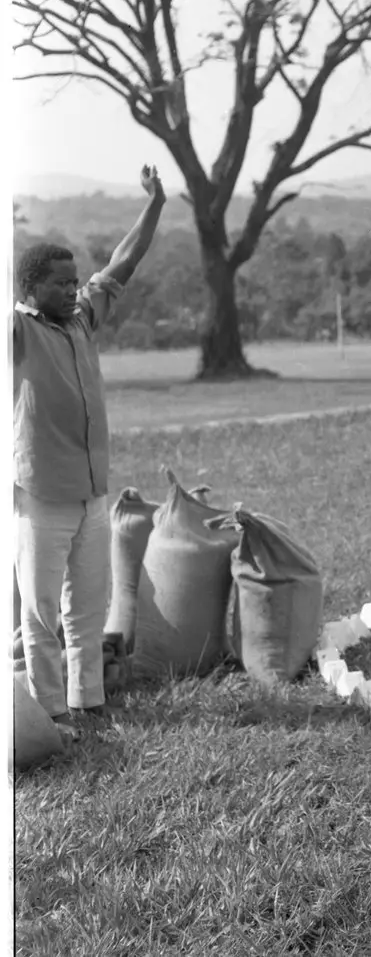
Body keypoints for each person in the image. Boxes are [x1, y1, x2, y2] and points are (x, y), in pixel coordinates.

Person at [14, 166, 167, 736]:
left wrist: (154, 203)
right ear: (28, 288)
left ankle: (89, 705)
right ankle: (51, 711)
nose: (71, 289)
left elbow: (124, 263)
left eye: (73, 280)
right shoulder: (19, 331)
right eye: (58, 282)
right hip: (42, 495)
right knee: (41, 611)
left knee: (87, 607)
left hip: (91, 494)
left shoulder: (80, 318)